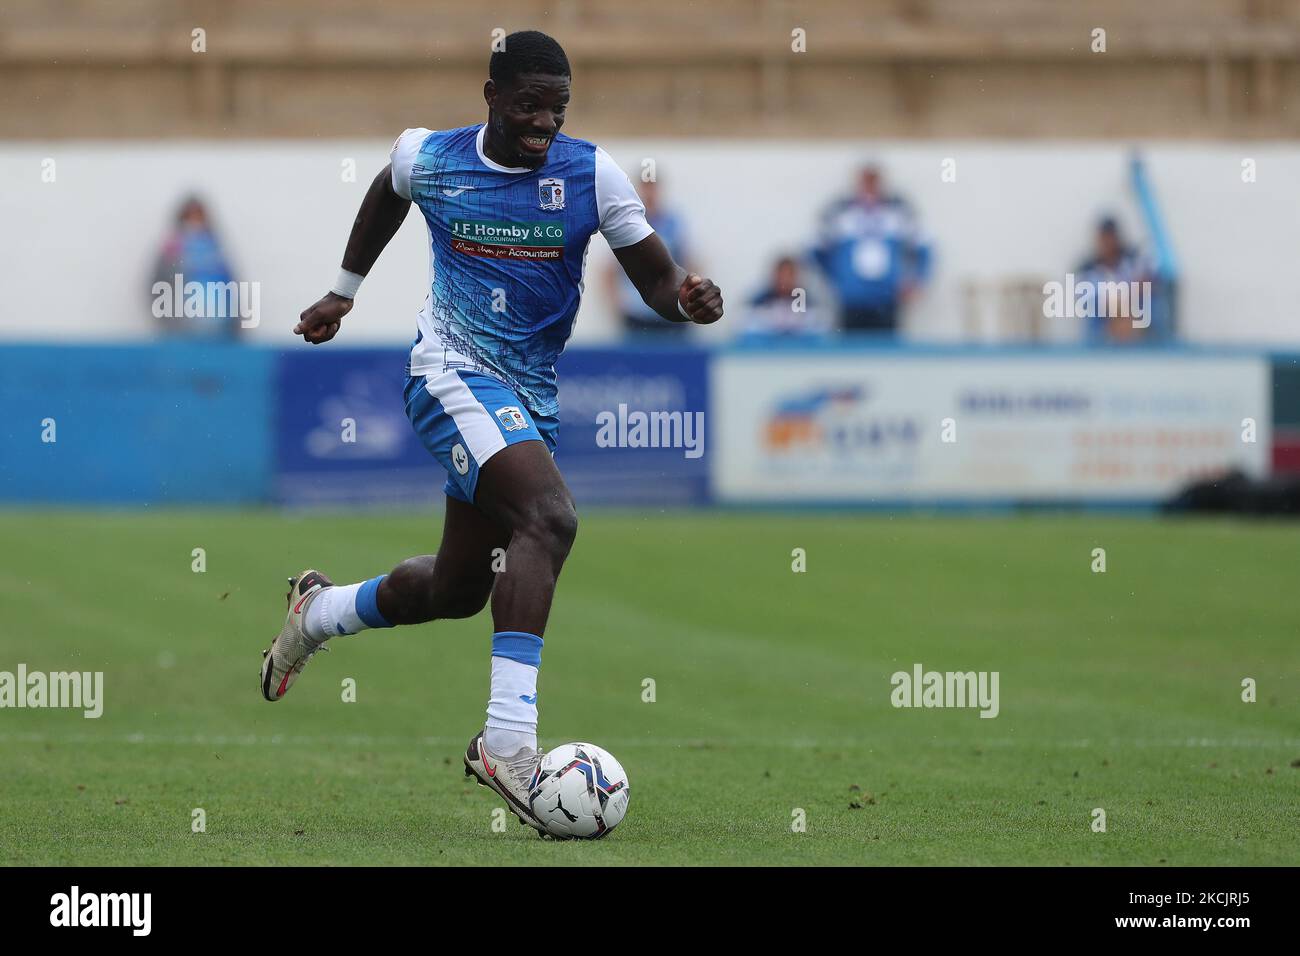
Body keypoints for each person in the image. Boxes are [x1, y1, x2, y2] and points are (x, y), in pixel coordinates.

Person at [258, 31, 723, 832]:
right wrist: (344, 291)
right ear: (491, 98)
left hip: (527, 396)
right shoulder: (431, 157)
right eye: (529, 105)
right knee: (550, 517)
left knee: (455, 590)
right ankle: (506, 745)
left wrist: (685, 297)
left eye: (558, 107)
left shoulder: (590, 173)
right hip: (449, 372)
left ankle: (320, 611)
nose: (545, 122)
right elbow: (388, 189)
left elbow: (654, 278)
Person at [813, 165, 930, 334]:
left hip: (887, 301)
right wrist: (835, 278)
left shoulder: (897, 211)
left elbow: (924, 247)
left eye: (873, 182)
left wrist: (917, 280)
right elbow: (816, 248)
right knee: (848, 353)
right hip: (851, 301)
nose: (869, 188)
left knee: (887, 355)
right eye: (865, 182)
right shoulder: (841, 212)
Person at [605, 177, 694, 337]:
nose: (649, 193)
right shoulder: (626, 221)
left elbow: (689, 260)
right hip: (636, 311)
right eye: (645, 188)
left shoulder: (673, 222)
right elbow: (609, 269)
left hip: (670, 307)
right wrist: (617, 303)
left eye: (652, 188)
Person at [151, 195, 243, 338]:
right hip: (183, 331)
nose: (195, 223)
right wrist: (168, 322)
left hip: (219, 331)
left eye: (198, 217)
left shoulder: (215, 249)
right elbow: (157, 285)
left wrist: (235, 324)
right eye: (190, 217)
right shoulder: (172, 249)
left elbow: (230, 285)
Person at [1076, 216, 1154, 344]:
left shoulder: (1132, 261)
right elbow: (1091, 298)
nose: (1107, 243)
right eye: (1103, 238)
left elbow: (1147, 279)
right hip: (1106, 316)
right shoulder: (1088, 269)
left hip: (1132, 310)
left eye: (1110, 238)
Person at [741, 255, 829, 341]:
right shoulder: (759, 301)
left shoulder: (807, 302)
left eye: (789, 275)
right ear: (774, 276)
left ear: (795, 277)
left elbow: (818, 328)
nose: (785, 280)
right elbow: (746, 326)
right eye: (781, 275)